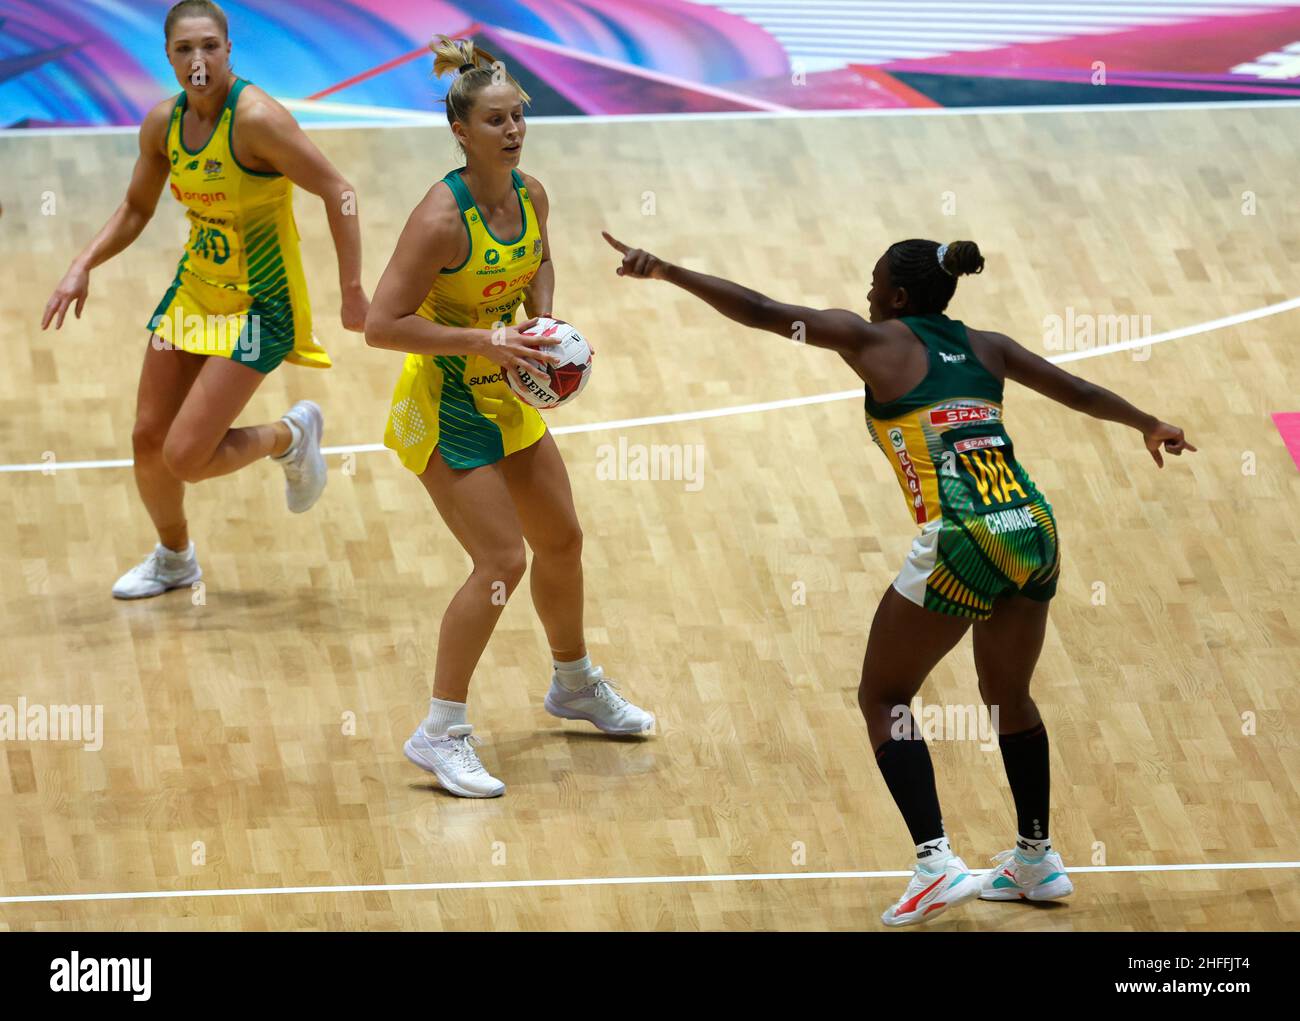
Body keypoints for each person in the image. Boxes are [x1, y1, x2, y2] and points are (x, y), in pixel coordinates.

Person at [603, 230, 1195, 926]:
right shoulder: (989, 345)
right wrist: (1148, 422)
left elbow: (765, 309)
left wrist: (668, 270)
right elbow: (1079, 388)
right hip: (1032, 526)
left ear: (899, 296)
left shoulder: (873, 342)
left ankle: (936, 861)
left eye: (874, 282)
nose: (865, 293)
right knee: (1009, 693)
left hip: (962, 532)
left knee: (882, 694)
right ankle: (1035, 856)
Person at [364, 37, 654, 799]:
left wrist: (543, 325)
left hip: (508, 390)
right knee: (501, 564)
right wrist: (483, 339)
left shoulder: (530, 194)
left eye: (519, 116)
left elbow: (542, 260)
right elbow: (381, 324)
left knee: (562, 539)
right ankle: (441, 730)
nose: (514, 130)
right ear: (461, 131)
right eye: (496, 120)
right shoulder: (439, 218)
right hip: (446, 401)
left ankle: (574, 683)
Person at [41, 0, 368, 599]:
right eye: (185, 49)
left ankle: (289, 436)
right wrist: (79, 265)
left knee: (186, 456)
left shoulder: (258, 120)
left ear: (228, 51)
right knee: (147, 437)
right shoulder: (162, 124)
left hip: (260, 306)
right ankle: (174, 559)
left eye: (209, 46)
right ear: (167, 56)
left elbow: (338, 191)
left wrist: (352, 291)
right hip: (195, 294)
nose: (198, 60)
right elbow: (138, 208)